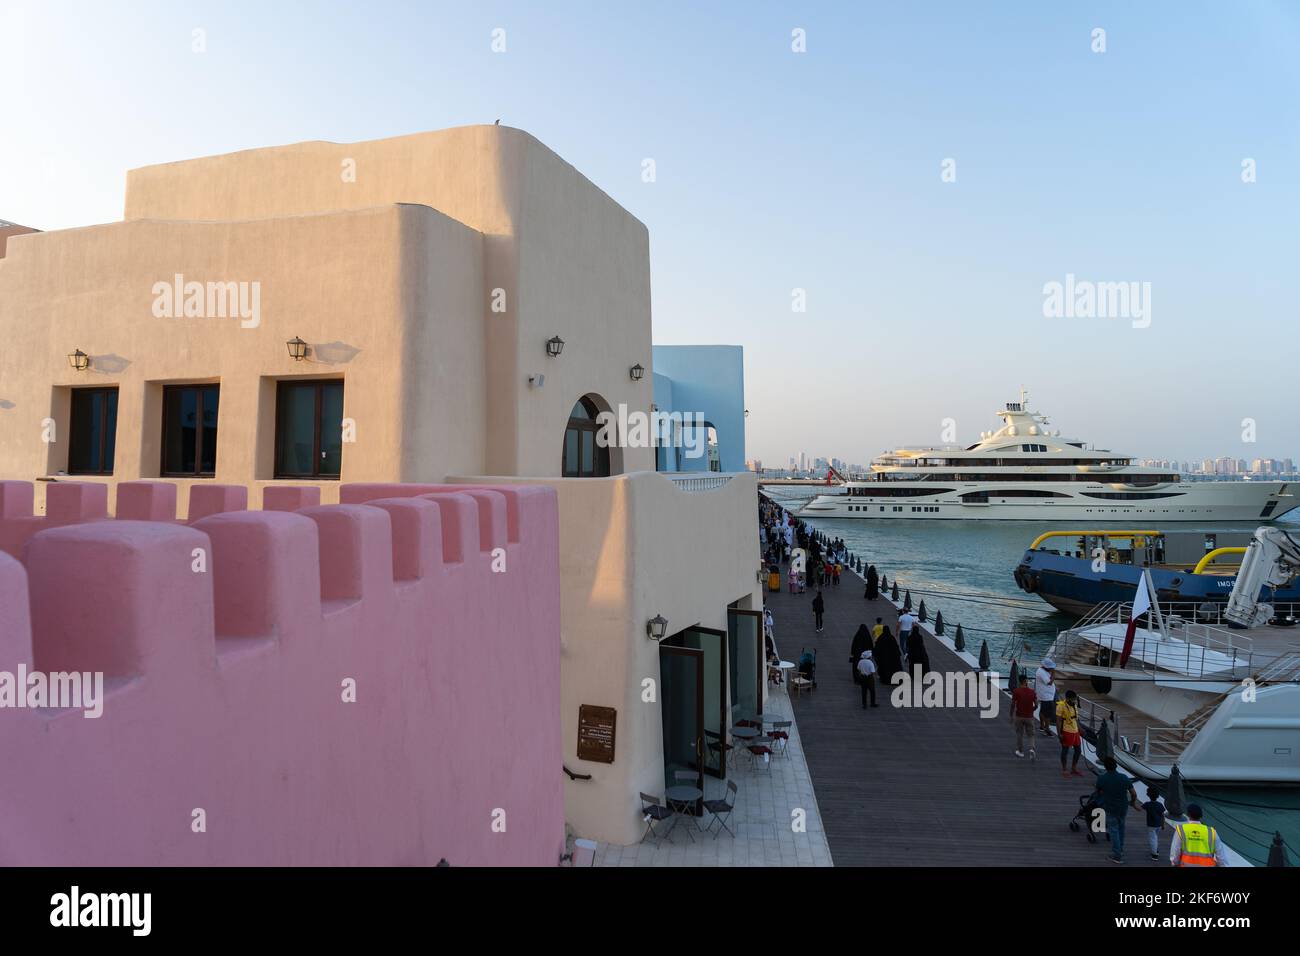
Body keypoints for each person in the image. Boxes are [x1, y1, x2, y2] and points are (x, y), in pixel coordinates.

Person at [1093, 756, 1140, 864]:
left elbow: (1097, 792)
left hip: (1110, 807)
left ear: (1105, 767)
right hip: (1123, 807)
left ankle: (1117, 855)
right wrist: (1132, 802)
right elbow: (1133, 793)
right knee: (1121, 828)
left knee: (1113, 830)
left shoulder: (1102, 778)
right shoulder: (1124, 777)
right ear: (1116, 766)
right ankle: (1121, 849)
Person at [1056, 689, 1083, 778]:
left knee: (1078, 750)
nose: (1074, 701)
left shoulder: (1074, 705)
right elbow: (1058, 721)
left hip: (1075, 731)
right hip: (1066, 731)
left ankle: (1073, 768)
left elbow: (1075, 718)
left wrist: (1080, 729)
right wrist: (1059, 733)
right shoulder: (1061, 706)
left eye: (1075, 699)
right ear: (1067, 699)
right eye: (1073, 699)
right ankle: (1064, 769)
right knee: (1065, 751)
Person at [1011, 673, 1037, 758]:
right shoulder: (1032, 692)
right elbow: (1036, 704)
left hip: (1019, 716)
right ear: (1026, 681)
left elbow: (1013, 704)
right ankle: (1032, 748)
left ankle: (1020, 751)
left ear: (1019, 681)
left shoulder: (1016, 691)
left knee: (1020, 734)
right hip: (1029, 716)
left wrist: (1011, 715)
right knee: (1031, 734)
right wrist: (1032, 710)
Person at [1034, 658, 1057, 736]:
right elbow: (1049, 682)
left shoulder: (1043, 671)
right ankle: (1047, 729)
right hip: (1046, 696)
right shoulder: (1042, 673)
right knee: (1048, 713)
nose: (1052, 668)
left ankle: (1041, 726)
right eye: (1050, 667)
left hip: (1045, 695)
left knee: (1043, 710)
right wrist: (1053, 674)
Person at [1142, 786, 1166, 861]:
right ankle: (1156, 850)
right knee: (1155, 837)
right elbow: (1162, 815)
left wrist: (1132, 804)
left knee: (1152, 839)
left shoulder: (1147, 804)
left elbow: (1139, 809)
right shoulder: (1160, 804)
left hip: (1151, 825)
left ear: (1148, 795)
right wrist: (1163, 825)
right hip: (1158, 824)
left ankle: (1154, 854)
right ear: (1158, 796)